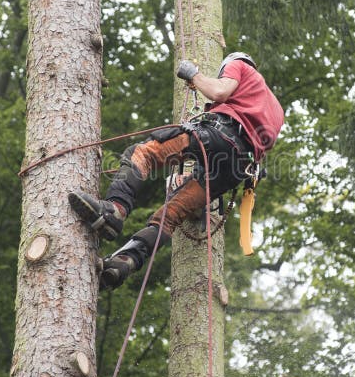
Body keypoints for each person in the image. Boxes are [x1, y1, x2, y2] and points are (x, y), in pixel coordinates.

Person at [69, 52, 284, 290]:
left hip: (219, 136)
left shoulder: (240, 66)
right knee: (169, 217)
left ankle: (114, 209)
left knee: (141, 154)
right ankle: (124, 261)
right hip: (236, 169)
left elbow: (219, 92)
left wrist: (194, 74)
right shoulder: (276, 109)